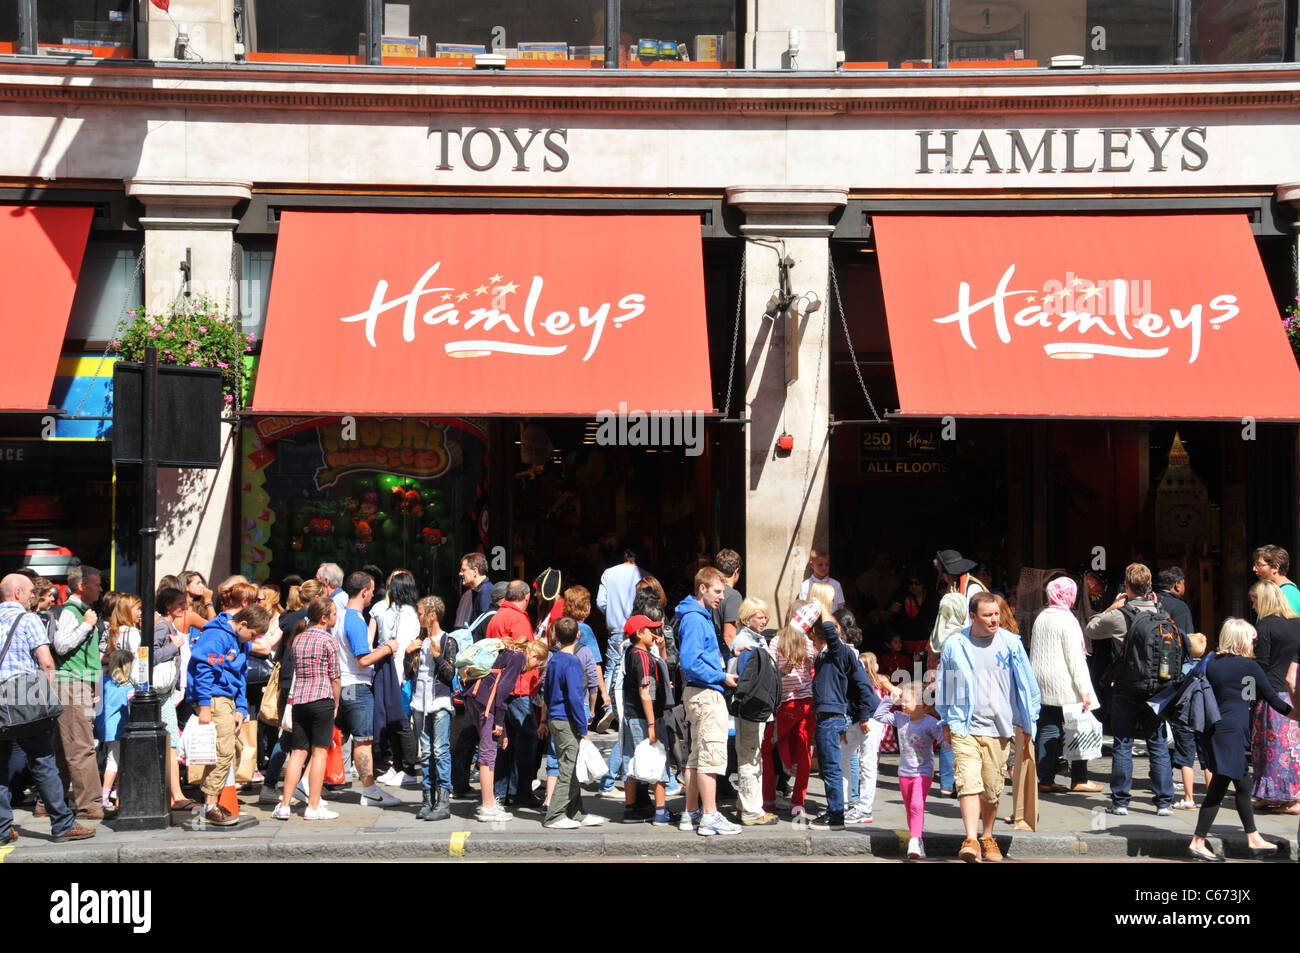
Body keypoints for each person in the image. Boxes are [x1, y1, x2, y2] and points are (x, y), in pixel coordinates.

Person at [936, 591, 1041, 863]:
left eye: (996, 614)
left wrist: (1031, 720)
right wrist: (945, 719)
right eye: (987, 615)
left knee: (992, 789)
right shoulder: (955, 645)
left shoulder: (1011, 644)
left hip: (1000, 727)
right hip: (964, 724)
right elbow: (945, 685)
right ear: (973, 617)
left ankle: (988, 836)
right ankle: (970, 839)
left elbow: (1029, 686)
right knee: (968, 781)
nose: (995, 620)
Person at [1188, 618, 1300, 862]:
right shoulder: (1249, 667)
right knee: (1234, 785)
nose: (1255, 642)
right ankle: (1201, 841)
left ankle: (1251, 837)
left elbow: (1243, 695)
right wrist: (1297, 715)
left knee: (1230, 786)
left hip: (1215, 729)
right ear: (1241, 639)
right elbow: (1272, 699)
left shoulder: (1212, 662)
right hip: (1232, 732)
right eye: (1252, 638)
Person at [0, 574, 96, 844]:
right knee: (43, 761)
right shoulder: (28, 619)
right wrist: (48, 695)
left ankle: (2, 829)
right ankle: (63, 825)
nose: (34, 595)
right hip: (25, 696)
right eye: (31, 591)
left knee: (0, 766)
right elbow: (46, 662)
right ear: (18, 593)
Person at [1088, 562, 1183, 816]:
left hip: (1126, 686)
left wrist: (1112, 606)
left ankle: (1120, 801)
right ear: (1149, 586)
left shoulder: (1120, 615)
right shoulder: (1162, 613)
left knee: (1123, 742)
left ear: (1126, 586)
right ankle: (1164, 802)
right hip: (1157, 688)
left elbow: (1091, 629)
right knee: (1157, 741)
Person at [188, 604, 270, 826]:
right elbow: (203, 669)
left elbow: (241, 675)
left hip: (229, 698)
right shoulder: (217, 635)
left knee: (233, 749)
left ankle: (212, 801)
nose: (250, 640)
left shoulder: (240, 641)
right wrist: (205, 707)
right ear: (242, 624)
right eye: (251, 634)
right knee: (223, 750)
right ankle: (210, 805)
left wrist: (241, 708)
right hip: (214, 697)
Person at [676, 566, 741, 835]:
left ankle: (690, 814)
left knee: (696, 757)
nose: (721, 597)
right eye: (717, 591)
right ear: (702, 588)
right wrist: (721, 676)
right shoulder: (695, 618)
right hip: (706, 693)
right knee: (710, 758)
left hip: (699, 692)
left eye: (723, 592)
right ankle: (710, 816)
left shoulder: (695, 615)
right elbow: (691, 661)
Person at [331, 571, 403, 808]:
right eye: (372, 590)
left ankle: (305, 785)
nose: (373, 594)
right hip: (357, 688)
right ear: (364, 592)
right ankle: (370, 790)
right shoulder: (354, 619)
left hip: (343, 686)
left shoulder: (341, 616)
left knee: (335, 738)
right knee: (363, 741)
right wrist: (387, 648)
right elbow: (363, 659)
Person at [809, 598, 880, 831]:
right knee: (835, 763)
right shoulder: (829, 656)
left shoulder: (838, 651)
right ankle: (838, 807)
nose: (812, 644)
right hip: (837, 716)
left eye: (814, 639)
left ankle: (840, 813)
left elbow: (866, 691)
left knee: (840, 766)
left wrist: (822, 608)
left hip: (846, 716)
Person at [271, 595, 341, 821]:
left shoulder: (298, 639)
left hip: (300, 700)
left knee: (297, 753)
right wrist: (336, 703)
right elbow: (335, 677)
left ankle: (284, 805)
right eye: (333, 613)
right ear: (324, 617)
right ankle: (312, 806)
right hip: (321, 699)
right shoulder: (329, 640)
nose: (336, 616)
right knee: (319, 752)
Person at [1029, 576, 1100, 794]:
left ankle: (1045, 779)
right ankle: (1079, 778)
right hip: (1064, 682)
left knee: (1048, 728)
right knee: (1077, 727)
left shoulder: (1041, 617)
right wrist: (1084, 690)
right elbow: (1075, 659)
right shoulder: (1067, 620)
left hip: (1042, 682)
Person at [48, 564, 103, 820]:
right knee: (81, 747)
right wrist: (87, 625)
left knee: (64, 746)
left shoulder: (79, 611)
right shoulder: (73, 612)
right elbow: (61, 645)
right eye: (97, 584)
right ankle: (90, 806)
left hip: (74, 682)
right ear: (82, 586)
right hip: (70, 683)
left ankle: (46, 802)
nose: (100, 588)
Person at [539, 616, 604, 829]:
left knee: (572, 764)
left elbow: (546, 693)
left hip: (556, 718)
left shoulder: (554, 659)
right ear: (578, 635)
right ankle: (555, 815)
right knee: (568, 767)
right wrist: (583, 727)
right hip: (567, 720)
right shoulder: (573, 662)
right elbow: (576, 699)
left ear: (556, 636)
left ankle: (576, 811)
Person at [874, 682, 945, 859]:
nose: (902, 704)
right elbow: (879, 715)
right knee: (910, 808)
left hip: (923, 773)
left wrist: (949, 737)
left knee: (916, 805)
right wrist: (890, 698)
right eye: (902, 700)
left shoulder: (931, 723)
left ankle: (914, 839)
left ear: (921, 702)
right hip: (904, 773)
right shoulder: (900, 718)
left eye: (907, 700)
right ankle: (918, 840)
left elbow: (945, 741)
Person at [1247, 581, 1300, 814]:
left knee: (1270, 748)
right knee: (1290, 749)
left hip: (1272, 694)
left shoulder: (1265, 627)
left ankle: (1279, 796)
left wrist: (1248, 695)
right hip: (1294, 693)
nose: (1253, 606)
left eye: (1254, 601)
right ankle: (1287, 796)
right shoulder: (1298, 624)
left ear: (1264, 600)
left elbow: (1261, 665)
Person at [485, 580, 538, 805]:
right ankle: (520, 791)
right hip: (517, 687)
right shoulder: (517, 618)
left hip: (498, 684)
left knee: (504, 740)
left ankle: (501, 791)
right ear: (525, 597)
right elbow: (525, 655)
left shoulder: (497, 616)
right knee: (527, 736)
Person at [463, 637, 527, 823]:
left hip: (476, 697)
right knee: (488, 756)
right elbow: (502, 692)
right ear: (534, 655)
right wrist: (500, 723)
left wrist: (502, 731)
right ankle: (487, 806)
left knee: (487, 752)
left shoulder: (505, 654)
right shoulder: (519, 658)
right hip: (486, 702)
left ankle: (489, 802)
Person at [727, 598, 777, 826]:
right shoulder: (746, 643)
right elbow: (744, 681)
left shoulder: (754, 640)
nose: (765, 620)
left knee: (752, 755)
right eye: (759, 616)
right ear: (747, 619)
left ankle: (745, 805)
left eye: (765, 616)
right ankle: (751, 811)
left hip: (754, 708)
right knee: (750, 757)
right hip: (751, 708)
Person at [620, 613, 674, 824]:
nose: (654, 633)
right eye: (649, 630)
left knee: (630, 759)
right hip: (644, 716)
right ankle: (661, 811)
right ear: (638, 634)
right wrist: (652, 723)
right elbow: (645, 691)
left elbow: (663, 668)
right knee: (656, 758)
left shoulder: (635, 652)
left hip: (634, 715)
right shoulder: (641, 657)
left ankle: (630, 809)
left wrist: (660, 650)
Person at [764, 603, 816, 818]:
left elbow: (770, 670)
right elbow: (812, 668)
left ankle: (767, 800)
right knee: (804, 753)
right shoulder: (808, 643)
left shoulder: (776, 641)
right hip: (807, 703)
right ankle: (798, 802)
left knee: (766, 748)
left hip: (784, 705)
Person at [373, 570, 422, 788]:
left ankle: (408, 767)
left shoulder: (408, 614)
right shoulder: (402, 611)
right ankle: (399, 765)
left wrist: (398, 677)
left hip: (399, 674)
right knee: (394, 721)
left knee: (401, 721)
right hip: (395, 671)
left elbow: (401, 647)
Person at [412, 595, 455, 821]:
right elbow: (411, 673)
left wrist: (438, 657)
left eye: (420, 613)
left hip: (439, 702)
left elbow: (450, 675)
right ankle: (427, 800)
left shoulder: (448, 641)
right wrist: (409, 653)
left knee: (440, 751)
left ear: (432, 615)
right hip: (420, 701)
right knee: (426, 752)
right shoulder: (420, 640)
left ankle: (443, 801)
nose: (417, 617)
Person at [153, 587, 193, 810]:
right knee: (172, 744)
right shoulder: (162, 626)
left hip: (166, 693)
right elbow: (151, 655)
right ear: (168, 606)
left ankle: (175, 793)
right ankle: (175, 795)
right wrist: (174, 646)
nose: (185, 608)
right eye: (180, 603)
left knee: (171, 743)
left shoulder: (166, 625)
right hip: (162, 694)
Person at [928, 591, 967, 795]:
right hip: (959, 685)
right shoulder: (963, 634)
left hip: (940, 686)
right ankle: (957, 781)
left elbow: (930, 663)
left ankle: (945, 782)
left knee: (946, 729)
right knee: (960, 729)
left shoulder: (937, 632)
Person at [1171, 631, 1208, 810]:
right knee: (1207, 761)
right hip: (1204, 720)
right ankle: (1212, 796)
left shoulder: (1183, 668)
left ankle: (1189, 798)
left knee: (1186, 761)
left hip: (1184, 720)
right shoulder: (1209, 668)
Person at [94, 649, 134, 810]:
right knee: (114, 761)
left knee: (114, 759)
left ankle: (114, 792)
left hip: (102, 725)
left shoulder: (103, 681)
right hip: (118, 728)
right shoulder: (128, 688)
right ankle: (105, 795)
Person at [1253, 544, 1300, 614]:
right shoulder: (1276, 591)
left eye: (1259, 565)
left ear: (1275, 567)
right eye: (1254, 565)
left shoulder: (1287, 593)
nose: (1254, 569)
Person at [712, 548, 744, 652]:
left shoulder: (709, 591)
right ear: (736, 572)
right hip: (723, 659)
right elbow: (730, 636)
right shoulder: (733, 597)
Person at [455, 552, 493, 628]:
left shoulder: (486, 591)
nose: (460, 573)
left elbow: (485, 626)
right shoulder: (479, 590)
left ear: (475, 571)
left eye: (463, 570)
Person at [1154, 567, 1195, 636]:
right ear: (1177, 585)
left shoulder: (1150, 601)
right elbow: (1187, 638)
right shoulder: (1180, 607)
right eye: (1183, 583)